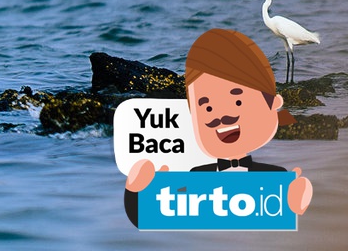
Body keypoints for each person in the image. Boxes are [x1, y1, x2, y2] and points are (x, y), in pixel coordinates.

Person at [124, 28, 313, 227]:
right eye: (207, 107)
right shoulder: (196, 177)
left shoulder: (276, 179)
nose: (221, 116)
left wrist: (298, 203)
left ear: (273, 104)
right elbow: (152, 213)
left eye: (238, 102)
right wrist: (136, 191)